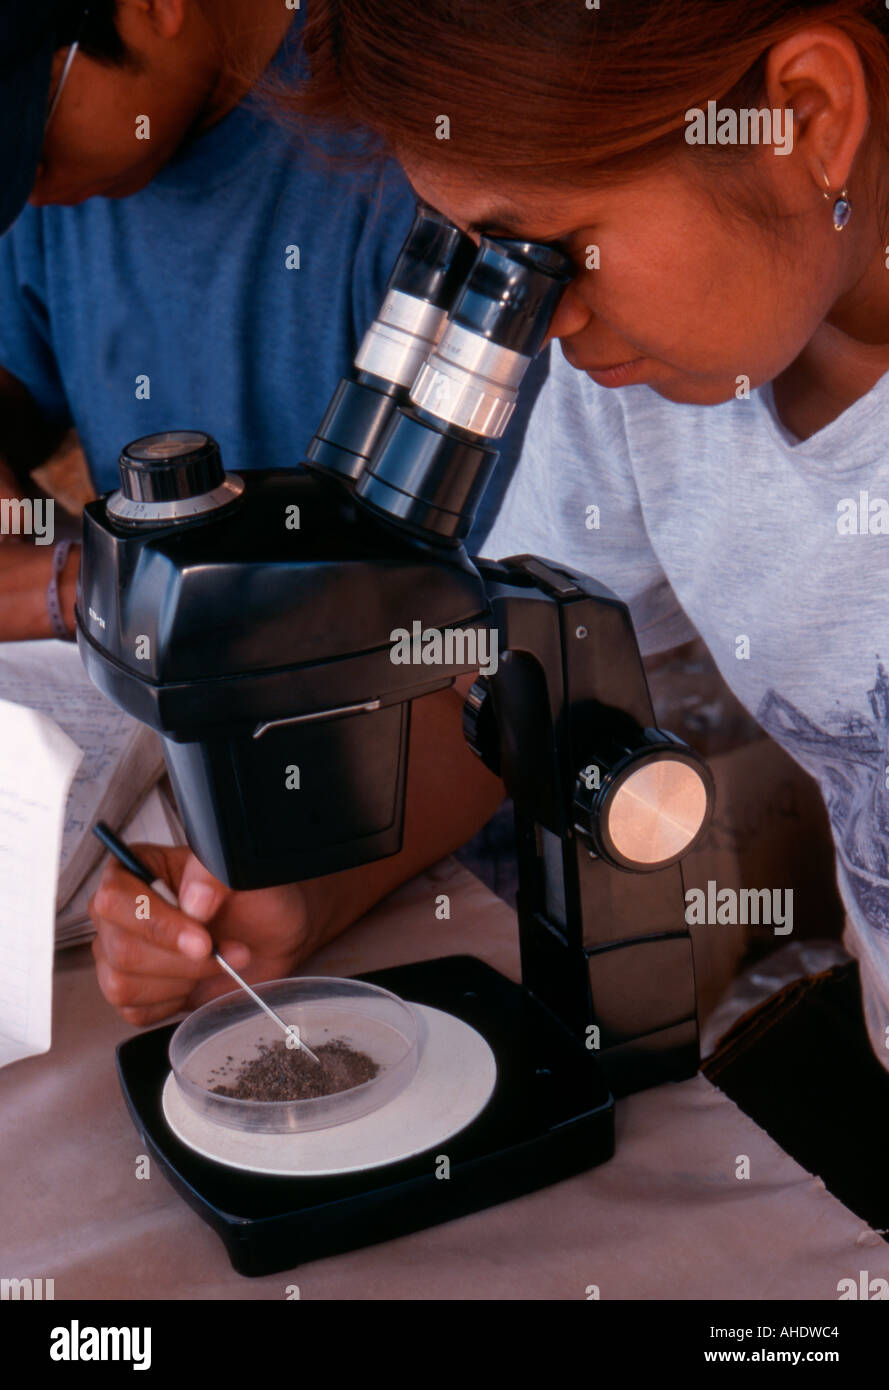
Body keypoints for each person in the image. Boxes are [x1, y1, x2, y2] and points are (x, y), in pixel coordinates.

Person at [90, 0, 889, 1083]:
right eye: (476, 256)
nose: (539, 316)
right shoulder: (644, 377)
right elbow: (511, 667)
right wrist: (302, 888)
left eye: (549, 249)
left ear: (805, 114)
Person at [0, 1, 529, 1017]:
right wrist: (75, 588)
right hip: (179, 843)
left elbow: (496, 655)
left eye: (26, 135)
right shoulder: (66, 185)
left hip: (434, 878)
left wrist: (313, 895)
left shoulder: (419, 159)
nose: (21, 190)